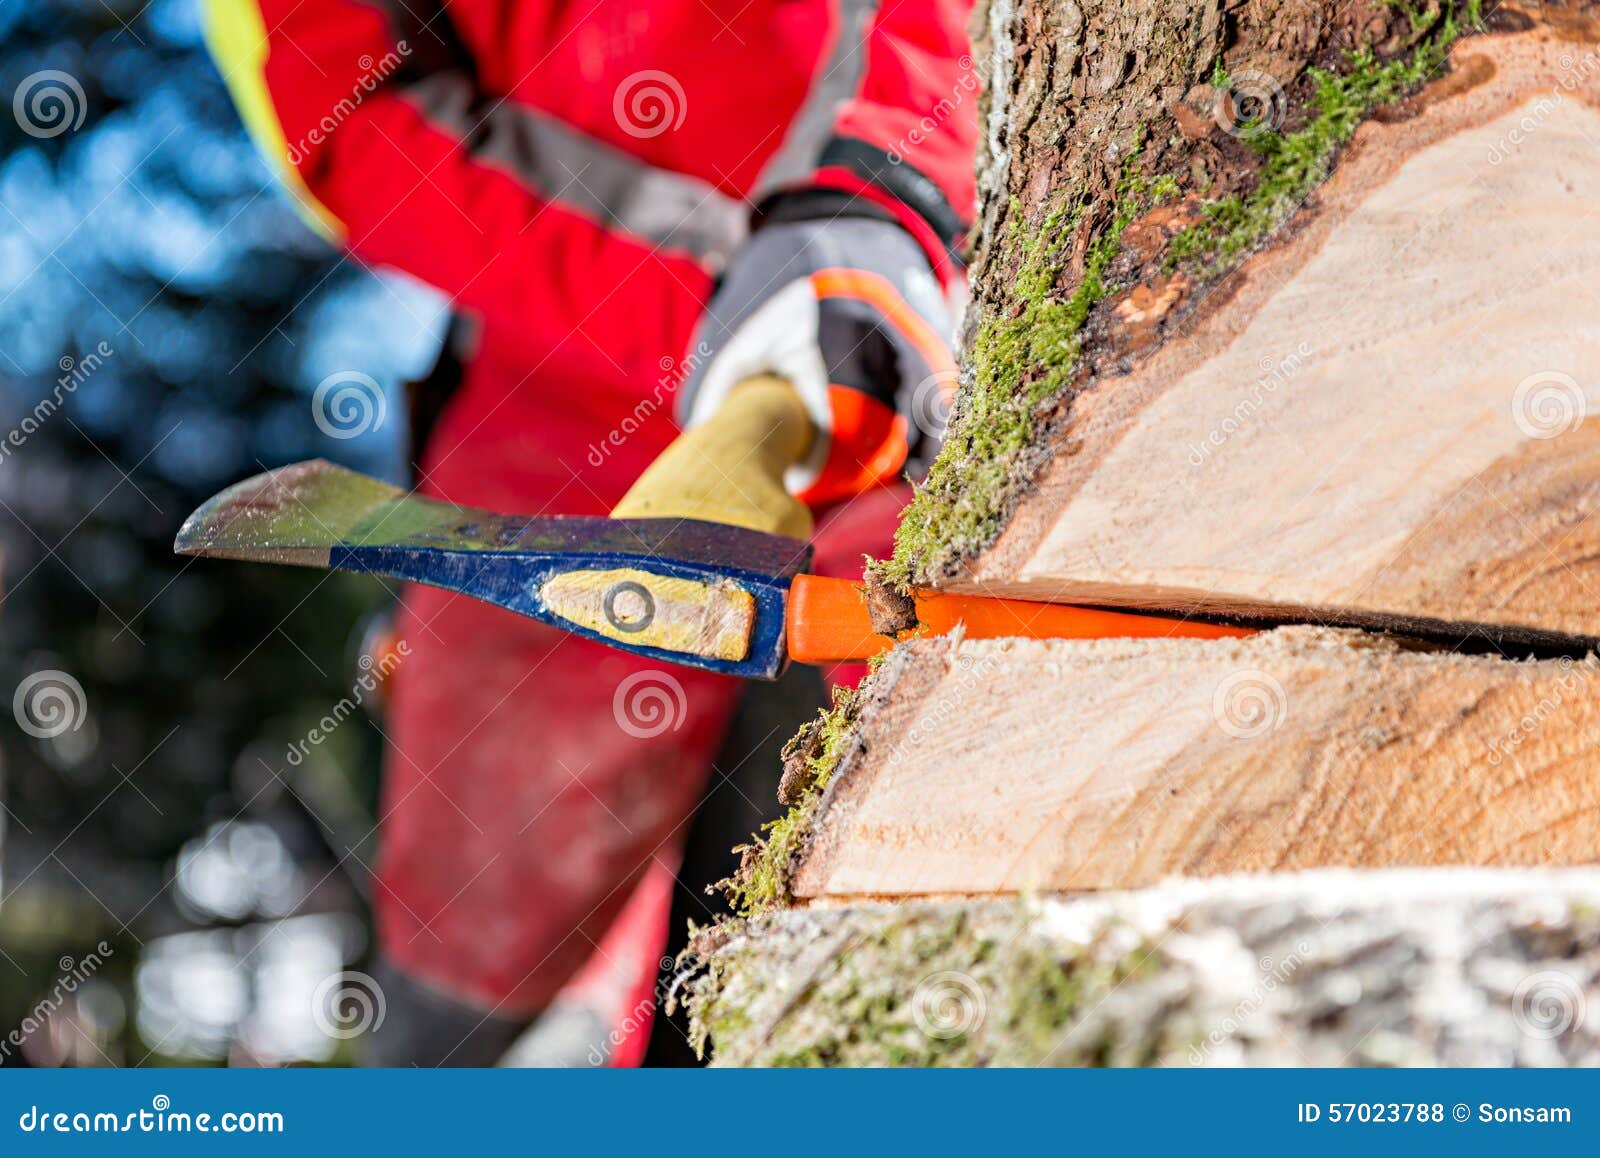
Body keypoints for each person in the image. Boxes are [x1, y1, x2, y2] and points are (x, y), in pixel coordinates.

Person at [202, 0, 977, 1065]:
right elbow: (350, 124)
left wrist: (879, 194)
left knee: (957, 787)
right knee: (474, 959)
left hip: (916, 280)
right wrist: (720, 302)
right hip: (565, 351)